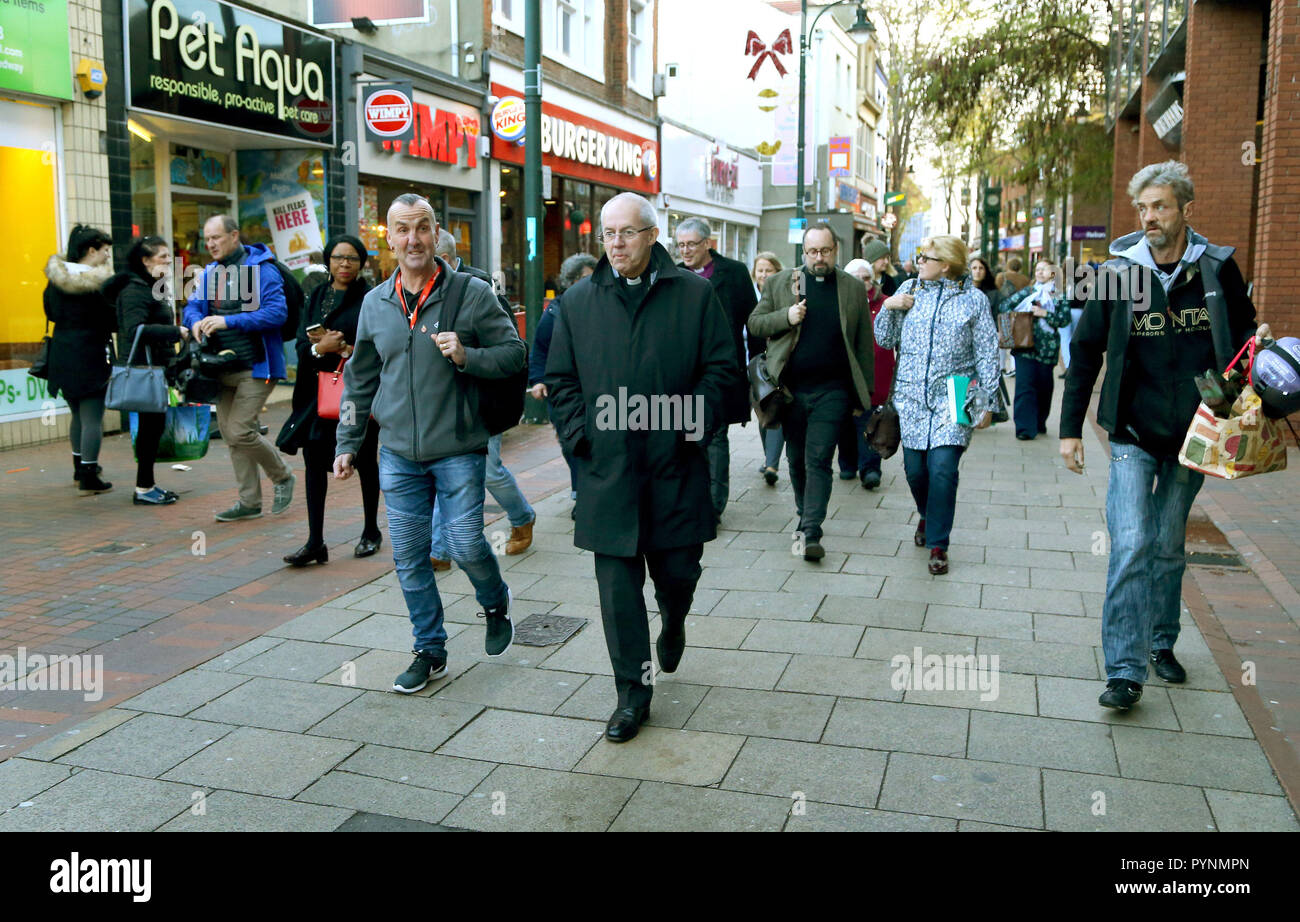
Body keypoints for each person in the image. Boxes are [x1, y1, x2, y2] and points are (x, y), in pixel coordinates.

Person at [1059, 160, 1267, 711]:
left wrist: (1257, 343)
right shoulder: (1118, 272)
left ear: (1185, 209)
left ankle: (1161, 641)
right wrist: (1069, 430)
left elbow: (1244, 336)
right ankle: (1125, 671)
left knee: (1168, 543)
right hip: (1131, 430)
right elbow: (1084, 353)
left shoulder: (1218, 269)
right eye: (1143, 208)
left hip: (1196, 434)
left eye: (1161, 207)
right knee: (1130, 543)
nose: (1149, 217)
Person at [545, 192, 736, 743]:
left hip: (674, 469)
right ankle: (633, 694)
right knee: (617, 593)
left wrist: (682, 428)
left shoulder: (695, 295)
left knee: (678, 575)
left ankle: (674, 620)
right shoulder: (579, 302)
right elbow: (561, 382)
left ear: (653, 235)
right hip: (608, 475)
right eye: (608, 234)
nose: (617, 244)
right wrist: (582, 439)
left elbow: (722, 373)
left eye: (627, 233)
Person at [335, 194, 525, 693]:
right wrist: (347, 442)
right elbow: (358, 382)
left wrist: (467, 356)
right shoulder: (376, 303)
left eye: (422, 228)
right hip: (397, 452)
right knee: (412, 555)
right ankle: (429, 649)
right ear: (389, 238)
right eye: (403, 229)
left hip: (459, 445)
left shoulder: (471, 293)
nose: (414, 239)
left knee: (464, 543)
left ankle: (494, 598)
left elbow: (514, 354)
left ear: (438, 232)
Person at [747, 223, 875, 562]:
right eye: (812, 252)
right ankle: (806, 514)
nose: (819, 258)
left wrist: (866, 395)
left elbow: (862, 342)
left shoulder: (850, 288)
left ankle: (811, 530)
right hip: (790, 391)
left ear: (836, 251)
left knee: (819, 459)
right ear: (803, 253)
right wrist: (786, 317)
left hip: (833, 391)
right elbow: (755, 324)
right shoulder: (783, 282)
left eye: (826, 251)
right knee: (796, 459)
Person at [875, 236, 999, 576]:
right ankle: (928, 514)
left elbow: (987, 352)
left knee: (943, 467)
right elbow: (884, 340)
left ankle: (939, 543)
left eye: (925, 257)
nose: (918, 262)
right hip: (912, 395)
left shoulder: (973, 301)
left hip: (955, 394)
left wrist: (987, 402)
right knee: (916, 471)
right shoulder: (909, 290)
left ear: (946, 264)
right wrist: (889, 307)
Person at [429, 229, 535, 564]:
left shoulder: (481, 290)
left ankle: (521, 517)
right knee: (443, 471)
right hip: (442, 402)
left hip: (480, 401)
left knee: (489, 470)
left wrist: (468, 358)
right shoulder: (421, 289)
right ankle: (439, 550)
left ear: (444, 259)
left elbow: (511, 353)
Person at [276, 235, 382, 565]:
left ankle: (370, 531)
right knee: (313, 463)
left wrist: (346, 350)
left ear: (362, 262)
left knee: (364, 460)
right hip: (316, 393)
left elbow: (379, 346)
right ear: (329, 261)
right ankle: (315, 541)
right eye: (338, 258)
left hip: (355, 391)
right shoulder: (318, 294)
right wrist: (319, 349)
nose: (345, 264)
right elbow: (300, 343)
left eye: (352, 258)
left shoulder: (371, 298)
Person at [183, 215, 296, 522]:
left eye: (216, 237)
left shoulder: (262, 269)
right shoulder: (209, 273)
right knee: (233, 437)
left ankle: (283, 476)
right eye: (207, 239)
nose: (210, 244)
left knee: (240, 431)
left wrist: (228, 321)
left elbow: (277, 313)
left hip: (257, 366)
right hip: (221, 367)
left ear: (234, 236)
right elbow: (191, 307)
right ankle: (249, 502)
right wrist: (194, 323)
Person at [674, 217, 756, 527]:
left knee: (717, 435)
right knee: (691, 436)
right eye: (681, 245)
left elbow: (752, 320)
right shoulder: (674, 274)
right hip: (684, 370)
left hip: (722, 368)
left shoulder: (733, 273)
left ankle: (714, 505)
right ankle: (692, 498)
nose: (686, 250)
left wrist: (757, 365)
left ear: (709, 243)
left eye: (692, 244)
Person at [106, 236, 188, 505]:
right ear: (145, 260)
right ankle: (143, 488)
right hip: (143, 369)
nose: (168, 261)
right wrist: (176, 331)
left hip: (154, 367)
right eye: (163, 257)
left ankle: (147, 485)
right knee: (151, 427)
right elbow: (134, 329)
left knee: (153, 427)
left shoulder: (150, 287)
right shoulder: (135, 290)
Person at [43, 225, 115, 495]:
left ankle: (78, 468)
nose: (107, 257)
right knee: (93, 417)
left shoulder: (55, 280)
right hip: (91, 354)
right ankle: (89, 474)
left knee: (77, 415)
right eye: (105, 251)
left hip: (62, 354)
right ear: (91, 250)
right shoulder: (99, 285)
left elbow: (50, 312)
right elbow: (112, 320)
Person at [529, 252, 597, 515]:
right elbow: (540, 348)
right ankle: (582, 494)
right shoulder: (556, 311)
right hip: (565, 392)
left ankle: (588, 495)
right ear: (570, 281)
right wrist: (537, 380)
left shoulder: (602, 306)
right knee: (573, 442)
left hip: (595, 390)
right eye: (584, 279)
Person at [999, 259, 1072, 440]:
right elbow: (1004, 306)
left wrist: (1045, 313)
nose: (1039, 272)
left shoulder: (1059, 295)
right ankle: (1024, 428)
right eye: (1037, 269)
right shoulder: (1029, 292)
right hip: (1024, 346)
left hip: (1047, 350)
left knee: (1044, 387)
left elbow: (1064, 320)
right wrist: (1021, 314)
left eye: (1044, 269)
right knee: (1024, 387)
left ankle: (1039, 422)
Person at [842, 257, 893, 490]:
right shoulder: (841, 301)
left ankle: (871, 469)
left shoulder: (884, 303)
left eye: (866, 278)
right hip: (847, 371)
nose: (863, 282)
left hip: (876, 372)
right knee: (845, 420)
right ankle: (847, 463)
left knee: (870, 420)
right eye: (858, 278)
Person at [748, 252, 785, 485]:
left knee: (774, 407)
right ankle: (768, 458)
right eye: (759, 270)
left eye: (768, 270)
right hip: (753, 364)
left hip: (777, 363)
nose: (763, 274)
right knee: (762, 411)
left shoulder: (782, 294)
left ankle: (772, 463)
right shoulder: (749, 294)